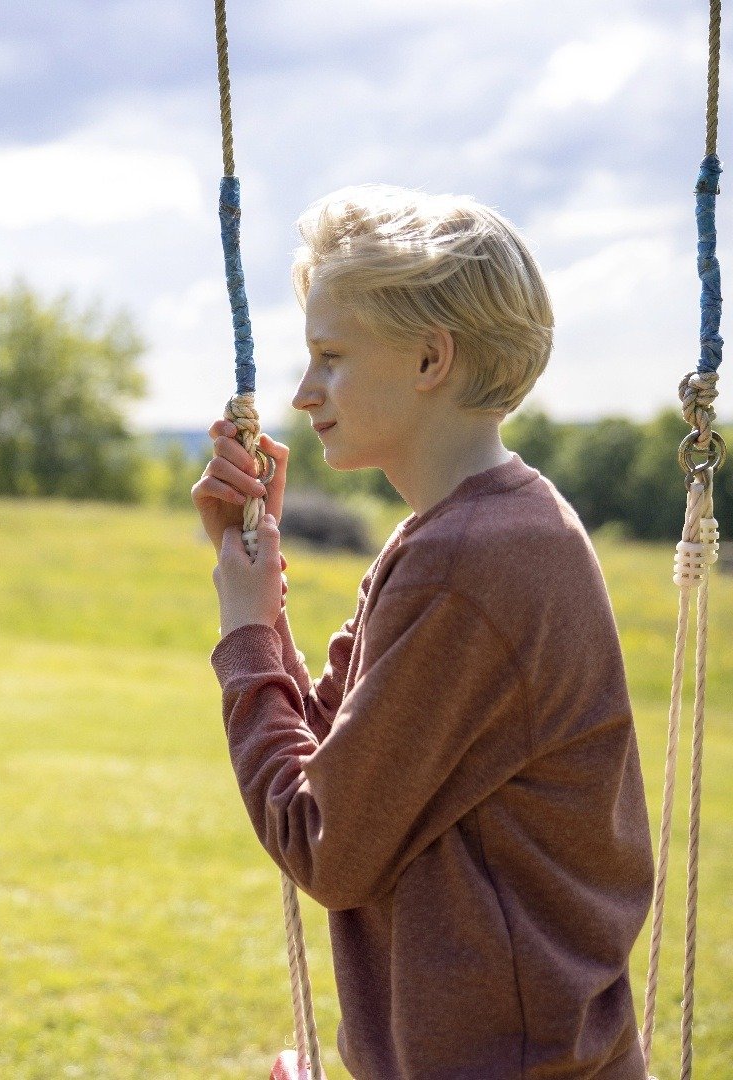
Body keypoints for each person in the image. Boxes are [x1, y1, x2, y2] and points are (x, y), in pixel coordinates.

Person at [193, 186, 655, 1078]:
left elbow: (321, 839)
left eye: (331, 357)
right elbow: (335, 757)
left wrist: (244, 629)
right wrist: (262, 588)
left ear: (430, 358)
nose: (303, 392)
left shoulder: (468, 558)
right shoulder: (474, 530)